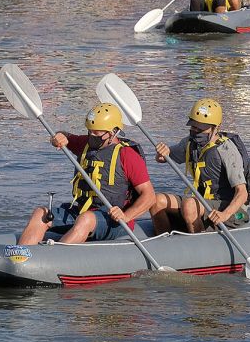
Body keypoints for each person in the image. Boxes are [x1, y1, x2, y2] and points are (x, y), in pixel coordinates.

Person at [18, 103, 156, 245]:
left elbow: (149, 196)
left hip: (113, 220)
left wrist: (126, 216)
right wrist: (58, 138)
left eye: (96, 133)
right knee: (40, 213)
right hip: (81, 211)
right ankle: (22, 256)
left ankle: (56, 259)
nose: (91, 136)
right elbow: (65, 136)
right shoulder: (86, 143)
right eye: (90, 131)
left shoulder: (127, 155)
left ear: (113, 132)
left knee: (86, 219)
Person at [150, 98, 250, 235]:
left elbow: (242, 192)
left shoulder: (227, 150)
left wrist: (224, 215)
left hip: (226, 206)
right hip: (199, 204)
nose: (195, 131)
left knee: (189, 204)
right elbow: (164, 158)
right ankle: (165, 242)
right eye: (193, 126)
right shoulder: (189, 143)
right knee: (156, 201)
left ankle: (198, 244)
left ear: (216, 127)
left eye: (201, 128)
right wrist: (161, 152)